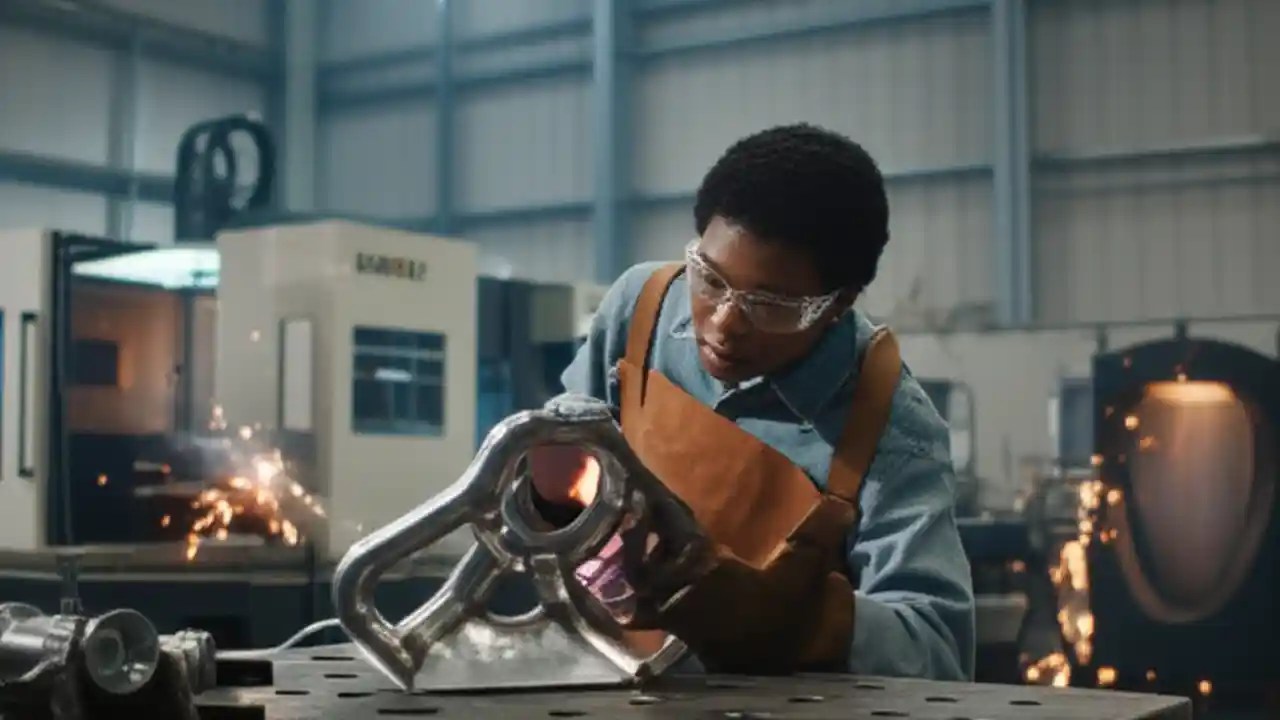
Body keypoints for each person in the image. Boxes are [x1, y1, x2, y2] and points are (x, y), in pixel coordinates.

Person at [530, 123, 974, 681]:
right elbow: (558, 461)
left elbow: (938, 651)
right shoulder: (638, 312)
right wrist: (548, 495)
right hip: (601, 680)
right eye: (710, 280)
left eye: (772, 305)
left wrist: (797, 623)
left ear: (838, 304)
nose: (724, 325)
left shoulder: (890, 428)